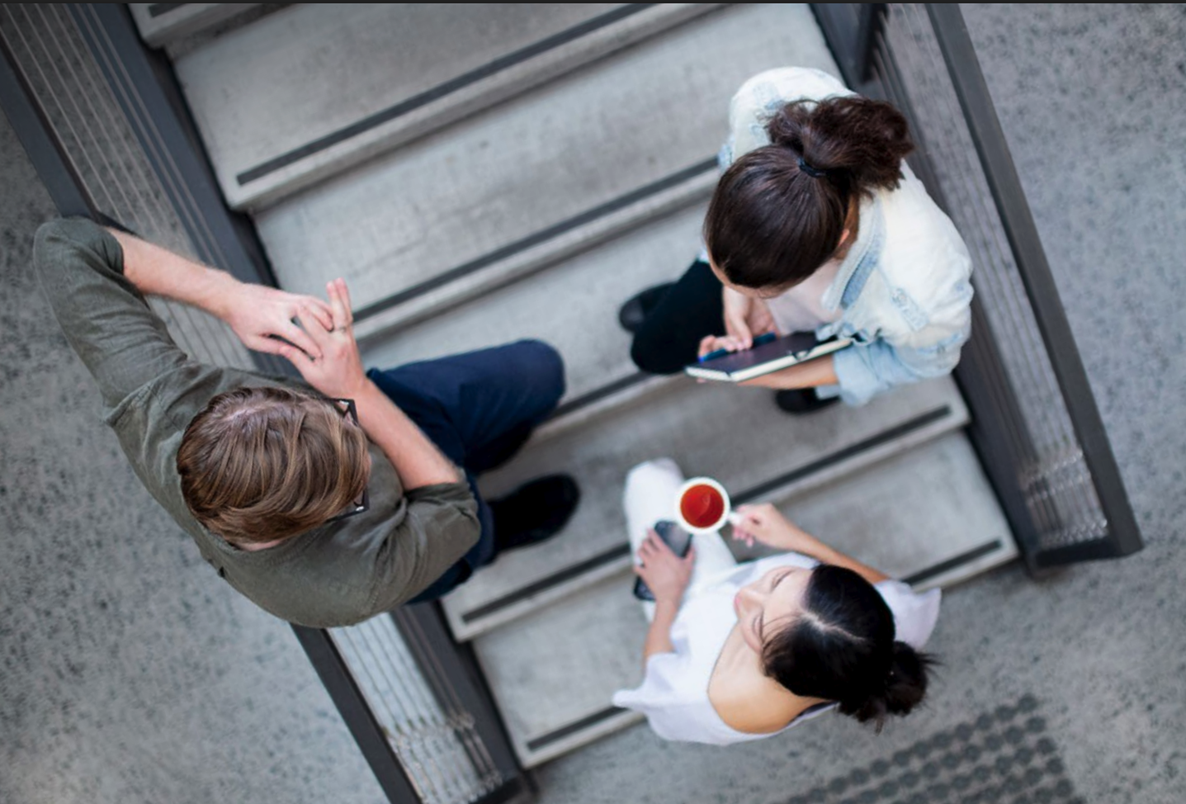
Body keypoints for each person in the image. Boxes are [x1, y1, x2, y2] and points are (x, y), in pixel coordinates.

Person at [33, 217, 579, 628]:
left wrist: (230, 297)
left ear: (227, 412)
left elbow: (66, 245)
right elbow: (452, 510)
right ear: (325, 515)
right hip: (424, 511)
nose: (353, 428)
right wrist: (353, 390)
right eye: (352, 453)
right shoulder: (342, 587)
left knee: (542, 371)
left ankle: (482, 450)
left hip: (390, 406)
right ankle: (505, 525)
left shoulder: (159, 400)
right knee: (476, 535)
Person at [621, 67, 973, 414]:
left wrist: (786, 376)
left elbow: (915, 363)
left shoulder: (920, 302)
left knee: (664, 345)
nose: (736, 288)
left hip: (853, 318)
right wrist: (735, 293)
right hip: (803, 282)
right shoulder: (764, 104)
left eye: (758, 290)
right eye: (718, 261)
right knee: (654, 350)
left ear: (836, 243)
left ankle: (819, 389)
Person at [612, 459, 939, 745]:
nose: (744, 594)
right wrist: (794, 538)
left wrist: (667, 594)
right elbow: (884, 587)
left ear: (774, 671)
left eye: (757, 623)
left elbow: (656, 669)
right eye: (780, 579)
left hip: (684, 601)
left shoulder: (697, 699)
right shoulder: (900, 621)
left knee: (648, 478)